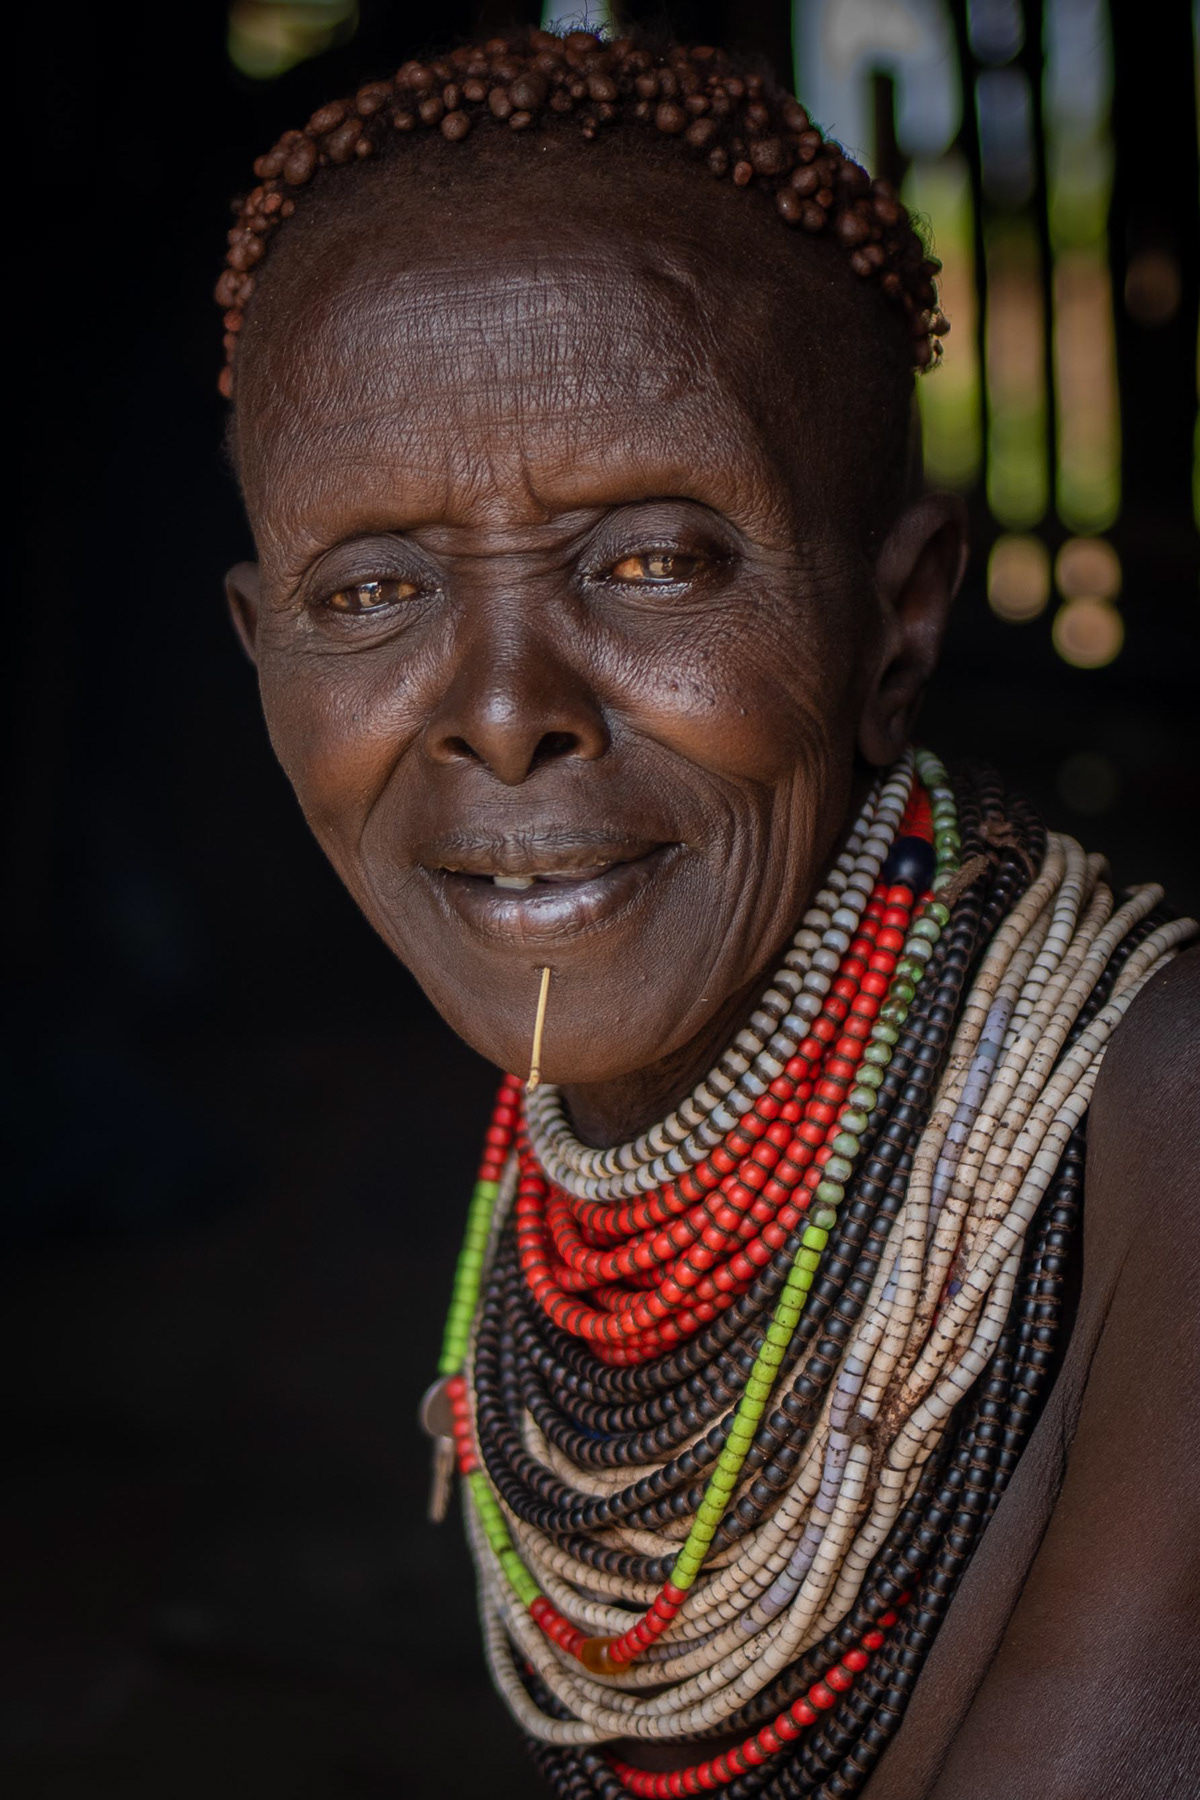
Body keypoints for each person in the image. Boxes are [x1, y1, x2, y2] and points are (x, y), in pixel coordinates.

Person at [215, 27, 1199, 1799]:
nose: (504, 705)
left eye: (650, 557)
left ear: (895, 621)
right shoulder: (571, 1172)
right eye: (372, 589)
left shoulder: (1170, 1141)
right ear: (258, 651)